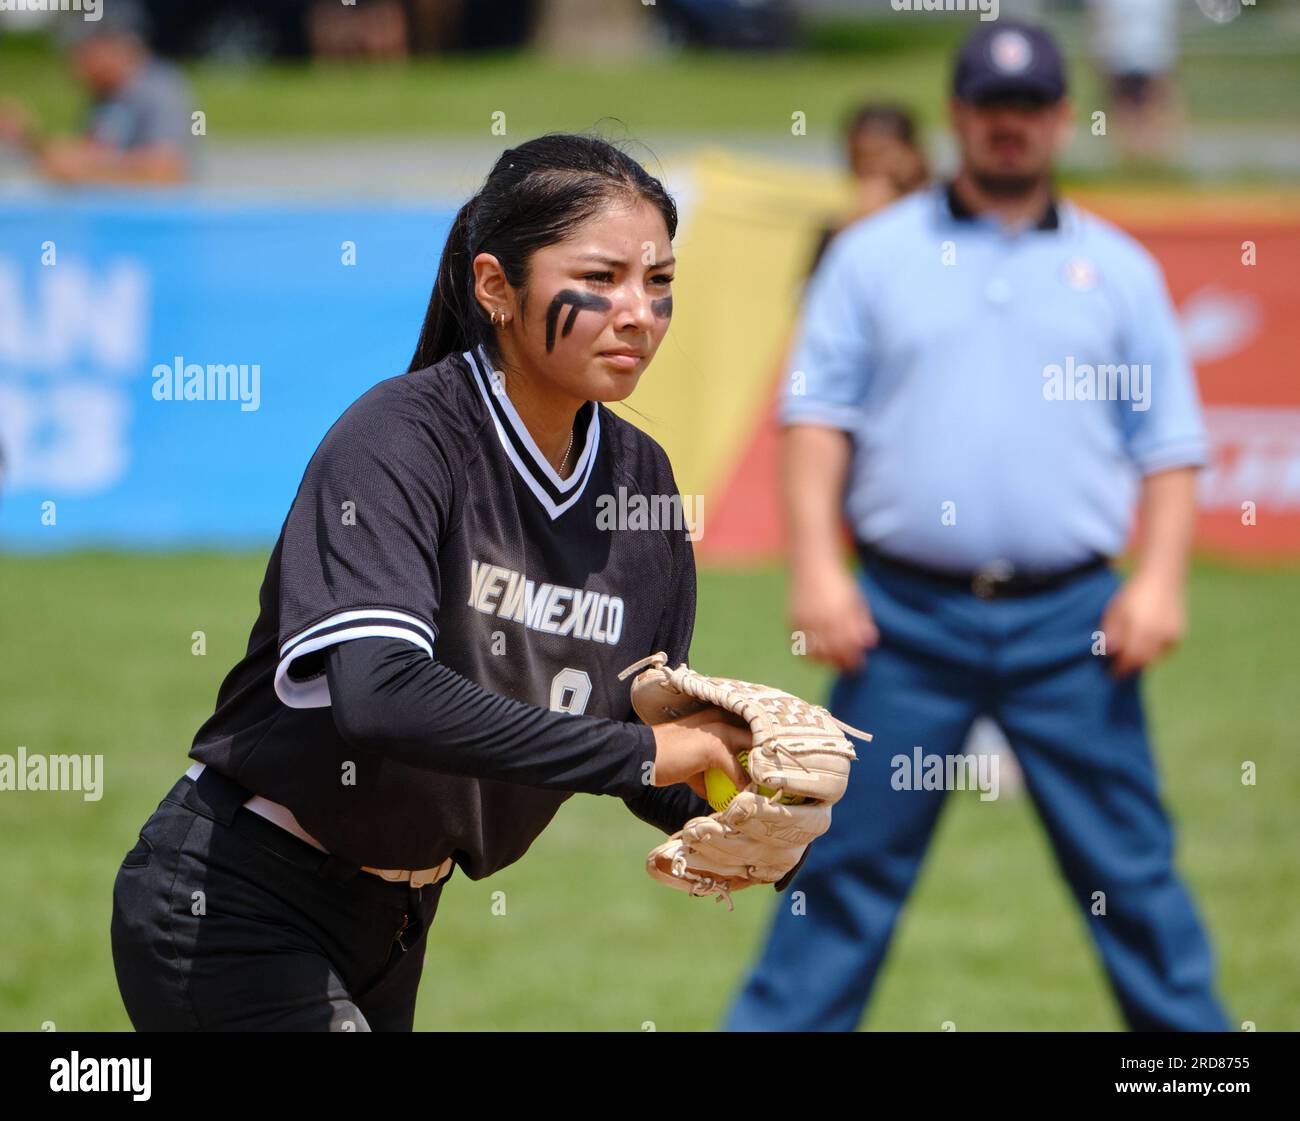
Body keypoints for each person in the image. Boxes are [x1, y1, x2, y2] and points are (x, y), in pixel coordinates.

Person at [109, 134, 762, 1032]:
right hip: (237, 897)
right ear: (495, 285)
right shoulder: (402, 438)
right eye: (602, 277)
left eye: (658, 282)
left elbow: (617, 729)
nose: (638, 311)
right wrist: (649, 754)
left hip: (396, 925)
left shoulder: (642, 486)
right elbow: (379, 695)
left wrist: (751, 803)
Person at [725, 22, 1230, 1032]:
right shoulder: (871, 257)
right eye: (988, 110)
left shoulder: (1118, 269)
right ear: (958, 116)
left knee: (1128, 866)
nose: (1008, 129)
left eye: (1028, 109)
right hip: (903, 619)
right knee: (843, 863)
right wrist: (819, 572)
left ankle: (1196, 1054)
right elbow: (814, 420)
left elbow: (1168, 443)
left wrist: (1159, 580)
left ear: (1056, 118)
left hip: (1074, 626)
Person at [0, 4, 194, 185]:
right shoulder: (106, 97)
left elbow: (169, 170)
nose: (74, 67)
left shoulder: (158, 91)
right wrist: (29, 140)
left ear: (111, 46)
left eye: (81, 52)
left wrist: (87, 166)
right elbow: (78, 161)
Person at [808, 102, 928, 275]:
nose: (869, 170)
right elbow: (814, 296)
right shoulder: (842, 230)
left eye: (880, 156)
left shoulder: (952, 213)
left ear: (913, 155)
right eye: (858, 160)